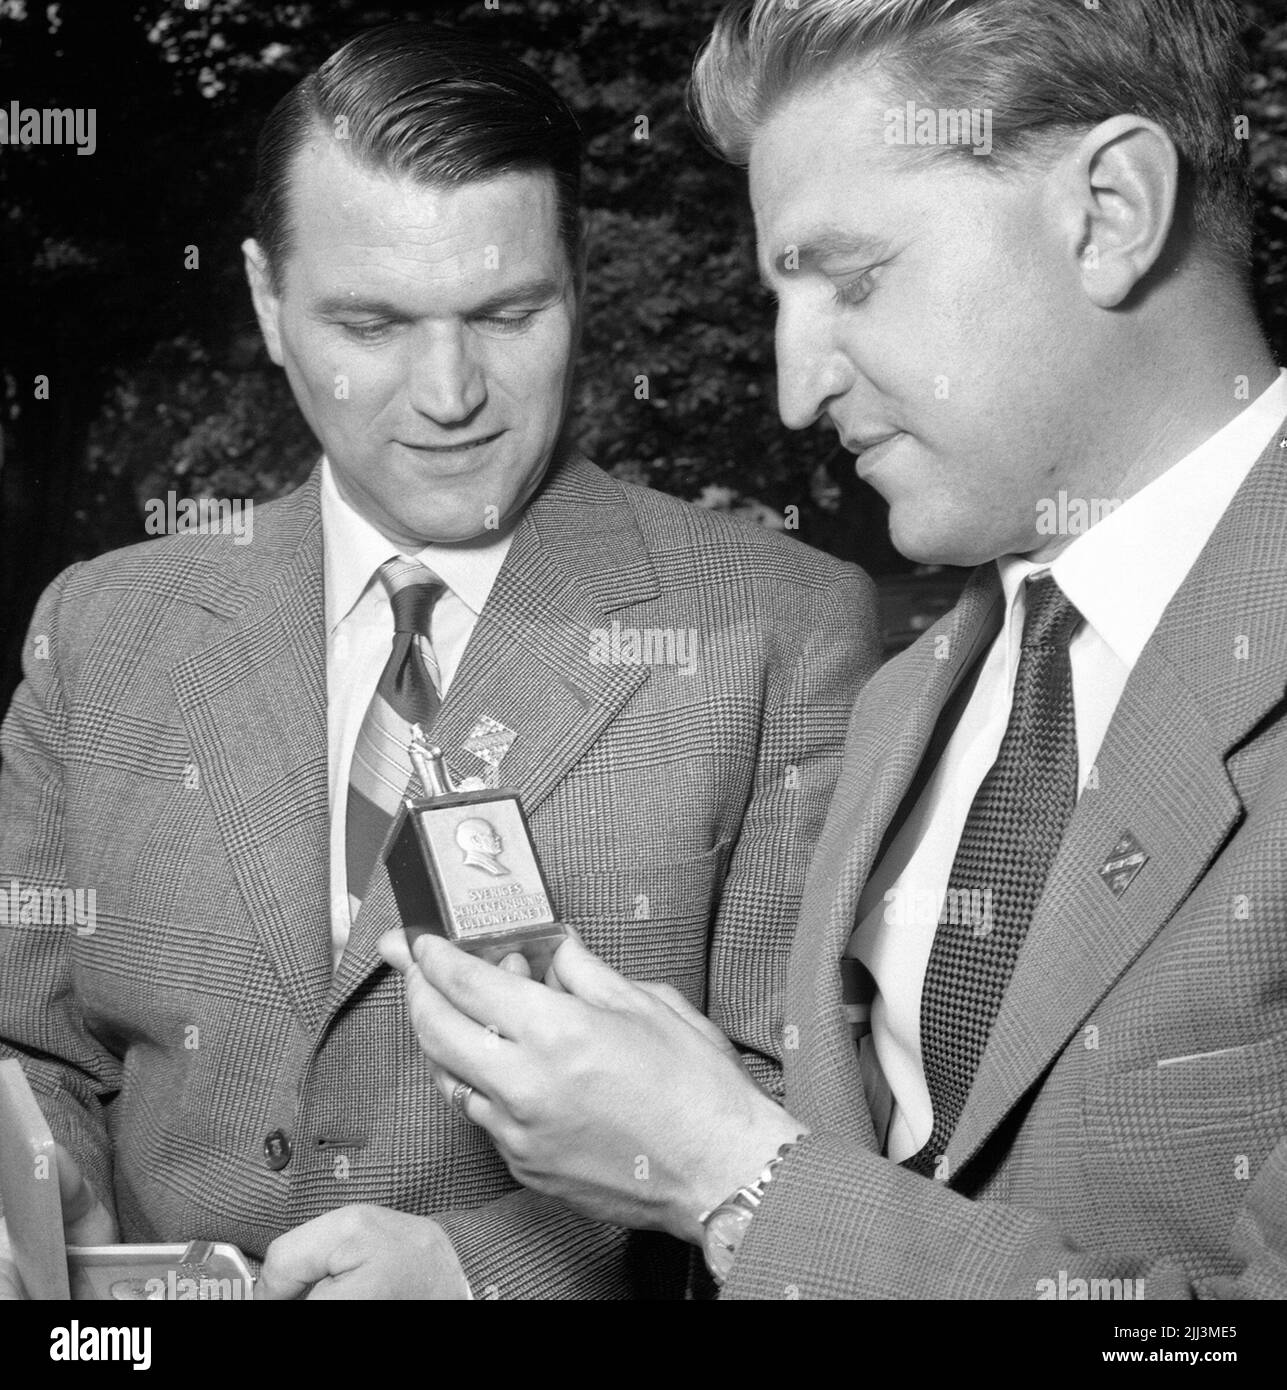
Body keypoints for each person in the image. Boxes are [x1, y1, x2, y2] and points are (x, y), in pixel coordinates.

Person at [393, 0, 1287, 1299]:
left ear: (1108, 211)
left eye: (850, 277)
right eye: (778, 294)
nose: (792, 387)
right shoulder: (907, 699)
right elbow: (859, 1173)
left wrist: (726, 1169)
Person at [0, 21, 879, 1300]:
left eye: (508, 312)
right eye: (373, 323)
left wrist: (492, 1274)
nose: (451, 390)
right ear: (266, 302)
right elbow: (29, 1039)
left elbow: (797, 1109)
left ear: (577, 282)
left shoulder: (777, 630)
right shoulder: (100, 629)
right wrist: (34, 1180)